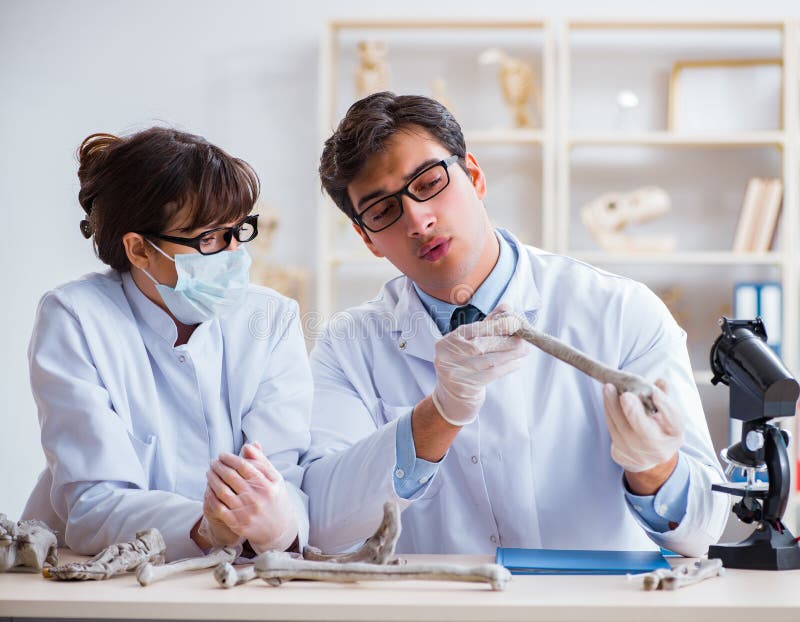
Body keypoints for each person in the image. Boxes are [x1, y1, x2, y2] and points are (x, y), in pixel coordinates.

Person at [302, 92, 728, 557]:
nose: (418, 220)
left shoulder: (620, 311)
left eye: (427, 183)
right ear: (368, 239)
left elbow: (703, 528)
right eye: (383, 211)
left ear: (475, 176)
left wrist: (652, 467)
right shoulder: (349, 345)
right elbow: (323, 524)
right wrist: (438, 414)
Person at [22, 127, 312, 560]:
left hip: (246, 579)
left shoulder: (269, 320)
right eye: (209, 238)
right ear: (139, 250)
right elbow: (94, 505)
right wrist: (204, 527)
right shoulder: (75, 317)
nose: (234, 254)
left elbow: (286, 478)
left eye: (238, 230)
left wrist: (279, 524)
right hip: (101, 581)